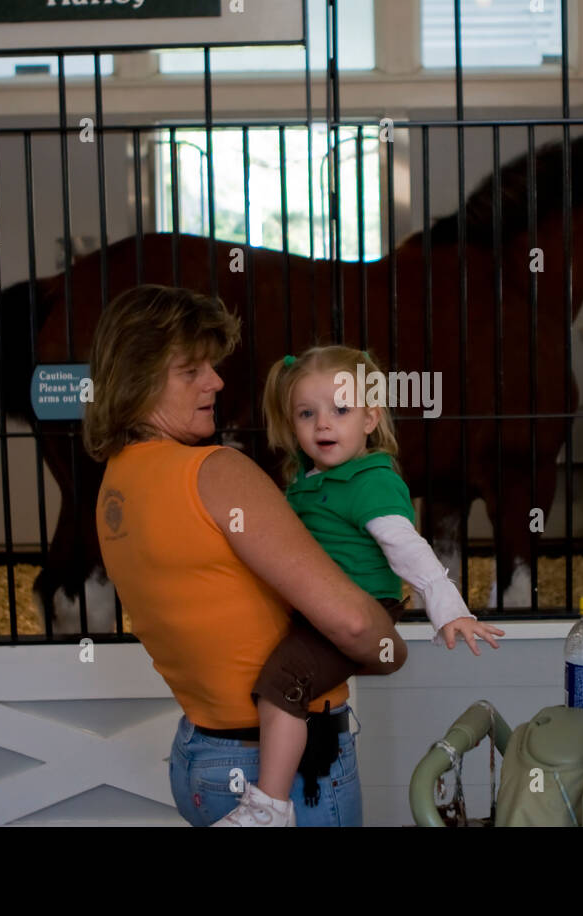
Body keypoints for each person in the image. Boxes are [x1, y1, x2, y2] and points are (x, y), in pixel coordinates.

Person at [83, 285, 407, 827]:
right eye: (191, 371)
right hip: (283, 774)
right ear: (138, 380)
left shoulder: (114, 487)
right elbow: (353, 623)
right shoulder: (215, 473)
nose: (216, 380)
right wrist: (393, 649)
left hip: (199, 758)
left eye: (211, 365)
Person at [210, 345, 505, 827]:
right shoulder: (307, 481)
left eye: (341, 410)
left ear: (370, 419)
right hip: (317, 606)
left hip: (362, 606)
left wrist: (448, 607)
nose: (323, 424)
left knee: (281, 684)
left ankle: (268, 807)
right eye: (307, 413)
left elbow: (409, 548)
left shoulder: (370, 480)